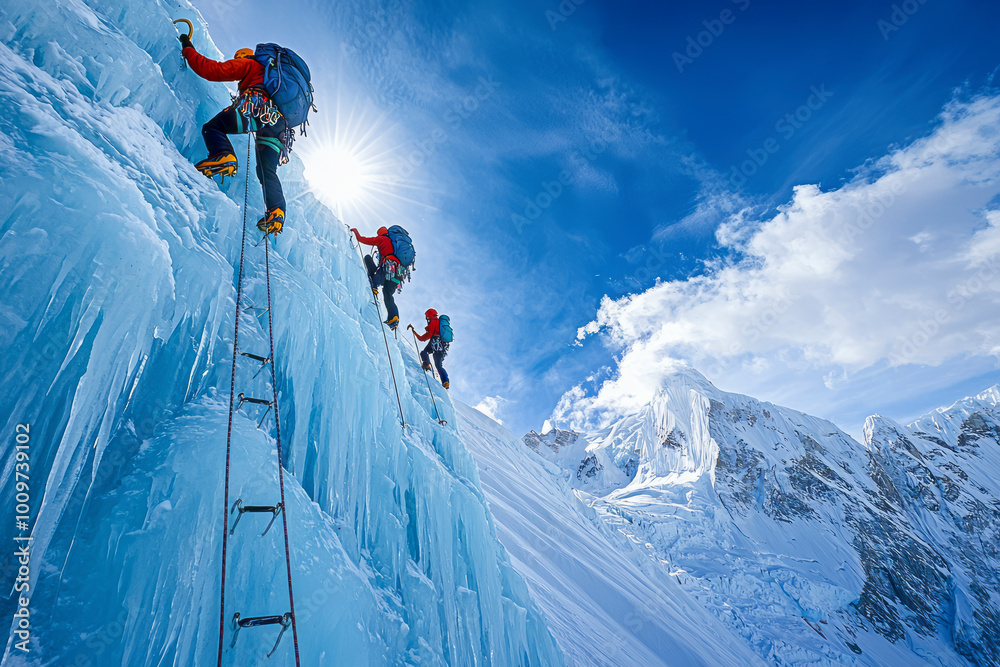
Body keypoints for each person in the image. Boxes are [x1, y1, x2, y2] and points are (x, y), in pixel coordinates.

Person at [179, 35, 287, 235]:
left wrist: (187, 48)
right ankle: (277, 212)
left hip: (255, 108)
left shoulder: (249, 64)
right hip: (279, 126)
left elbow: (213, 70)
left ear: (242, 56)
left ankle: (223, 156)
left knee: (213, 127)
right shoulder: (274, 77)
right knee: (267, 171)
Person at [351, 227, 401, 329]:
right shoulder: (394, 243)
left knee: (368, 258)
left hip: (386, 270)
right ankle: (394, 317)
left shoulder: (381, 239)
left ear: (380, 234)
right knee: (388, 294)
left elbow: (362, 239)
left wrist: (355, 231)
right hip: (397, 275)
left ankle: (373, 285)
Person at [408, 309, 450, 389]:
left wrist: (414, 332)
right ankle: (445, 381)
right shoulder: (438, 323)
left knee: (424, 353)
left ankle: (427, 365)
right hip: (441, 347)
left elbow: (424, 337)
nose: (427, 319)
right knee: (438, 365)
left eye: (427, 316)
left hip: (434, 343)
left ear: (429, 315)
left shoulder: (434, 322)